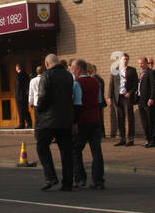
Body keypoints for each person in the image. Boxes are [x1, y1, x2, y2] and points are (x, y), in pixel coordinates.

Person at [35, 53, 76, 191]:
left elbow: (43, 97)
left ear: (47, 64)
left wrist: (39, 109)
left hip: (48, 119)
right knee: (66, 152)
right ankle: (68, 182)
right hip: (65, 119)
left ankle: (51, 176)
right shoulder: (68, 75)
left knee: (42, 146)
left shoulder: (47, 76)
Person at [72, 60, 106, 189]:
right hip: (95, 120)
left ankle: (80, 178)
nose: (72, 72)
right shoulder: (95, 82)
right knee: (96, 151)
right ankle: (98, 180)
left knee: (76, 150)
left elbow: (77, 103)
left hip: (83, 121)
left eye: (73, 69)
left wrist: (74, 122)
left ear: (79, 69)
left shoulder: (77, 84)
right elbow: (98, 101)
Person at [115, 53, 138, 146]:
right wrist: (109, 96)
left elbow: (136, 83)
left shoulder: (132, 70)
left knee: (129, 117)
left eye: (127, 59)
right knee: (120, 118)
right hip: (118, 96)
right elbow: (112, 84)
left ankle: (130, 139)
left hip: (127, 96)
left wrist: (131, 92)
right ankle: (122, 138)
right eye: (124, 59)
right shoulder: (115, 71)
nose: (125, 61)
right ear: (120, 60)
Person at [137, 56, 155, 147]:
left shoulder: (151, 72)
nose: (140, 65)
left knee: (151, 120)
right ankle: (148, 139)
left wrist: (152, 98)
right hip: (141, 100)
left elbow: (154, 86)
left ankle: (154, 140)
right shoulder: (141, 74)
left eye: (142, 63)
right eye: (139, 63)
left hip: (148, 100)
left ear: (146, 63)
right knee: (144, 121)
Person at [14, 63, 31, 129]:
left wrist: (17, 94)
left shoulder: (18, 75)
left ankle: (22, 124)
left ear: (17, 68)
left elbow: (18, 85)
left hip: (19, 95)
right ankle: (29, 123)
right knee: (26, 109)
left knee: (20, 110)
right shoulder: (26, 74)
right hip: (25, 95)